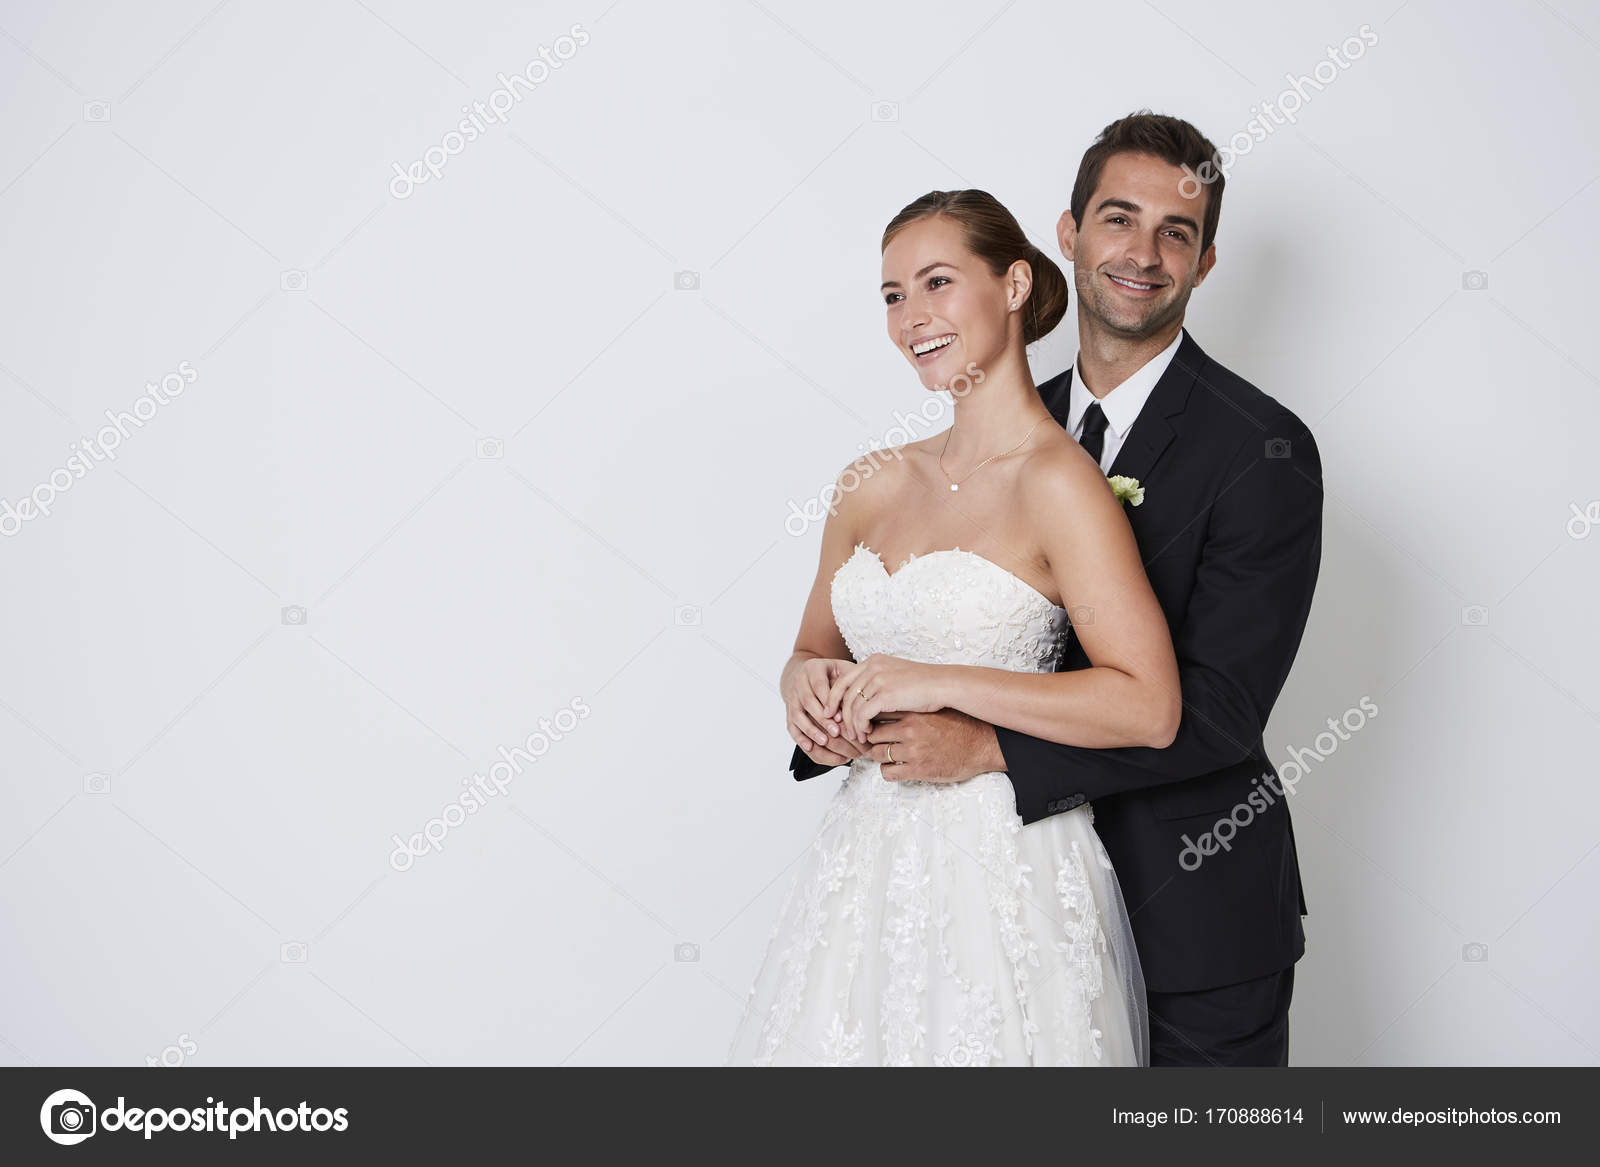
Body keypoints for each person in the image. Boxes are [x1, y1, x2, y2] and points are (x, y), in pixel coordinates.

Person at [782, 112, 1323, 1067]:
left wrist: (987, 748)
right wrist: (812, 687)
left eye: (1177, 232)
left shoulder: (1261, 450)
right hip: (974, 903)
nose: (1143, 254)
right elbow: (847, 638)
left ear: (1204, 264)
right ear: (1067, 239)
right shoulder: (997, 430)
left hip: (1190, 904)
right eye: (1118, 219)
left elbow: (1219, 714)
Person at [728, 187, 1180, 1066]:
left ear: (1014, 285)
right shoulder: (871, 480)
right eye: (894, 296)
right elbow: (814, 646)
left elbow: (1148, 704)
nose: (911, 318)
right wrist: (800, 683)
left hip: (1005, 870)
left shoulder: (1061, 485)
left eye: (937, 282)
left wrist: (937, 682)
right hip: (861, 874)